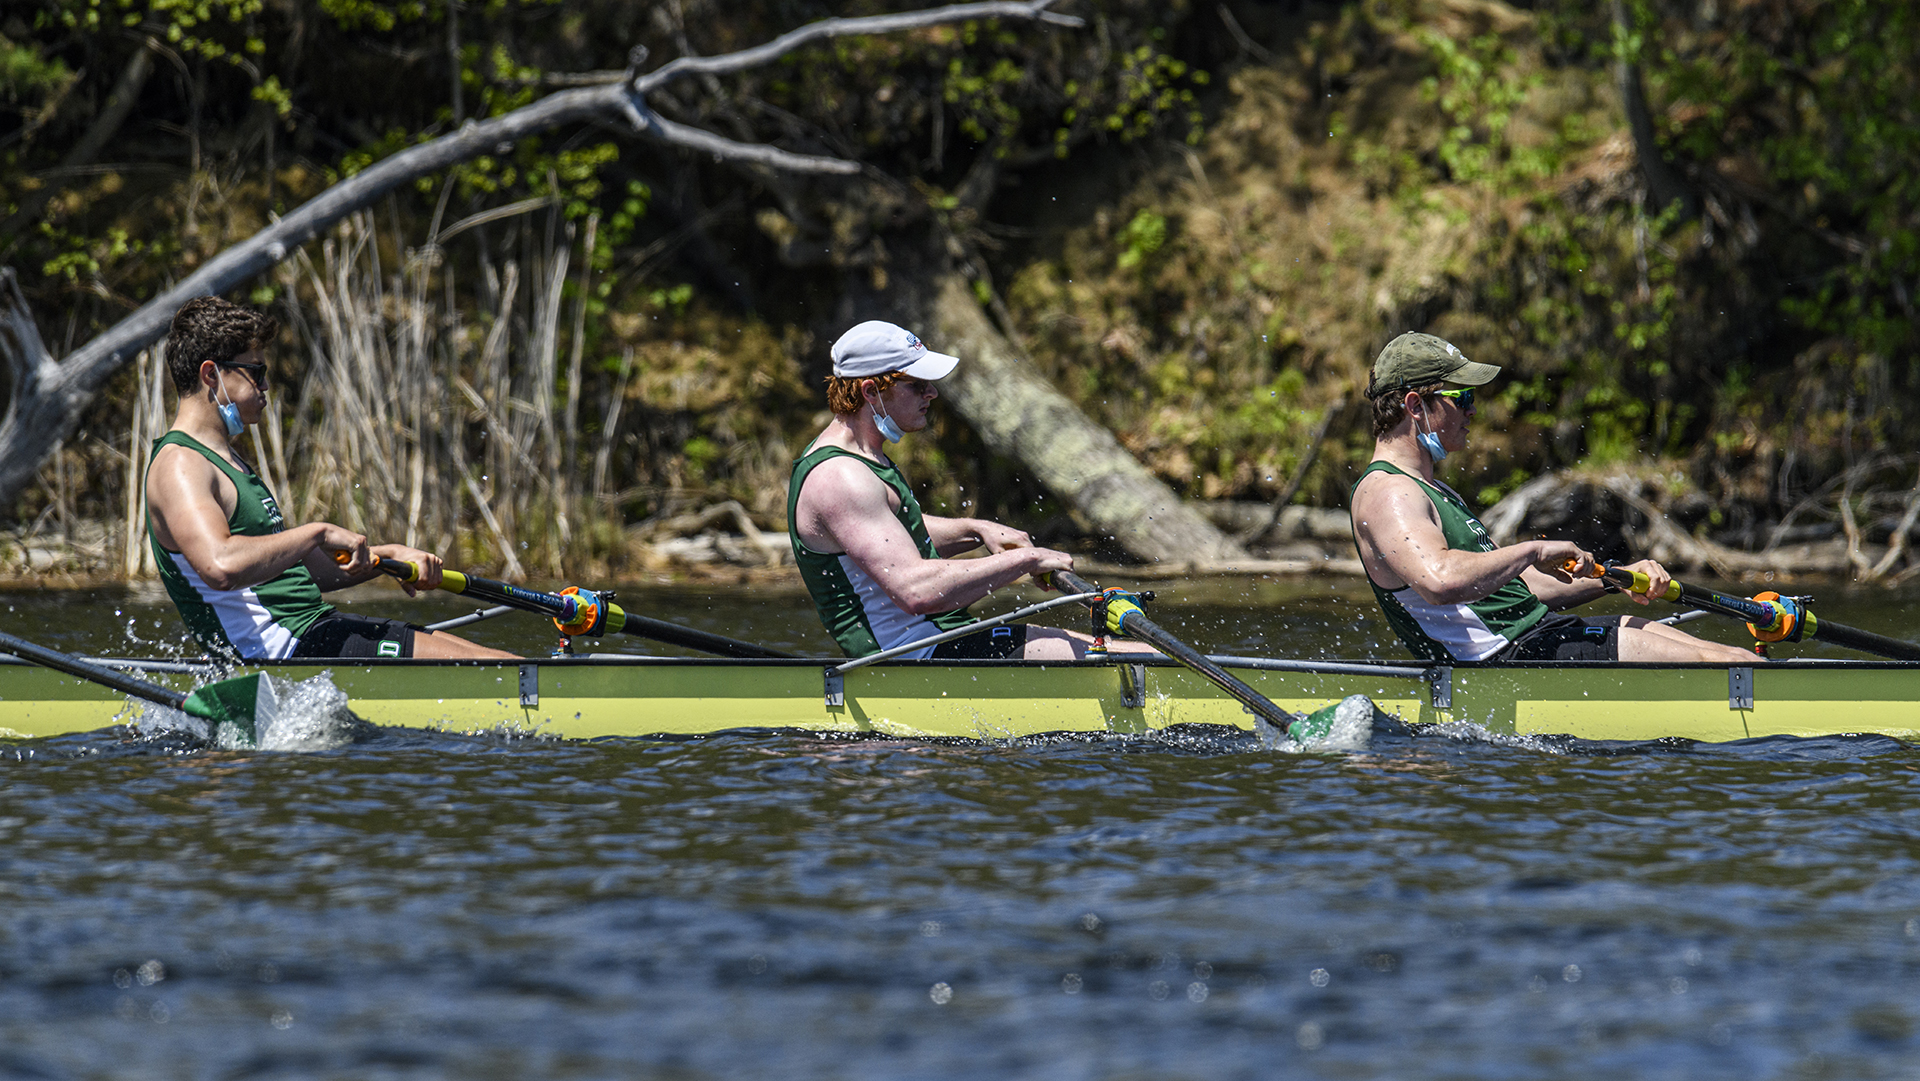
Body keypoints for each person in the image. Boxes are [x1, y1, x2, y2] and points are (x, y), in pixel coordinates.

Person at [1348, 331, 1757, 664]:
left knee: (1736, 658)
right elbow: (1441, 581)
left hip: (1536, 641)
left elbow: (1518, 589)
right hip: (1504, 658)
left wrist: (1615, 579)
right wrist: (1529, 551)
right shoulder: (1389, 493)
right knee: (1726, 667)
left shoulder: (1432, 490)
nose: (1473, 412)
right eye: (1463, 398)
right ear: (1415, 405)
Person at [145, 296, 515, 662]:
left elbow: (301, 575)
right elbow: (221, 567)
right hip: (278, 651)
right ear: (211, 374)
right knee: (504, 669)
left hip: (311, 632)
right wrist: (316, 533)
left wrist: (388, 557)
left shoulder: (229, 462)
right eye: (256, 372)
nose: (266, 387)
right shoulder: (181, 464)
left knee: (493, 658)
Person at [788, 320, 1151, 660]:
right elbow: (917, 591)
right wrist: (1024, 561)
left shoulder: (859, 458)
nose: (931, 393)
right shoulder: (840, 478)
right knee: (1136, 657)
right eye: (917, 384)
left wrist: (976, 530)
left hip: (942, 639)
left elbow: (890, 531)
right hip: (914, 659)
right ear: (871, 391)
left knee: (1111, 651)